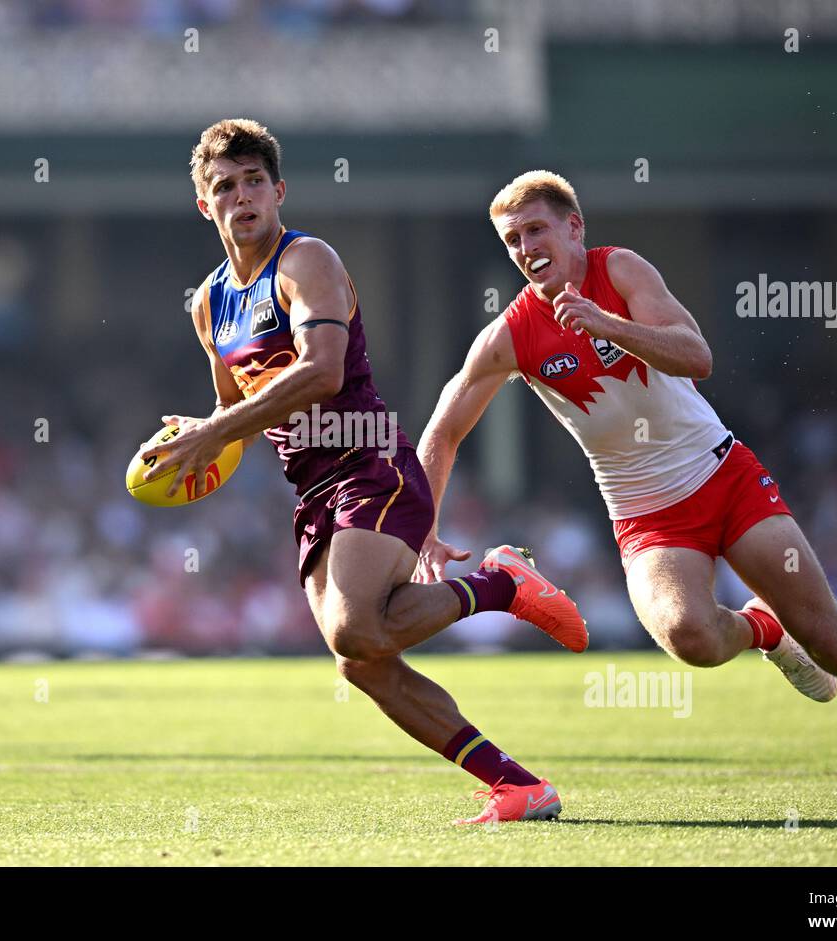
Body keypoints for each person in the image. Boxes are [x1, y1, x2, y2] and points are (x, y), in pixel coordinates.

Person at [415, 169, 837, 809]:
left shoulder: (622, 271)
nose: (525, 249)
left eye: (536, 230)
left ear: (574, 228)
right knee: (690, 638)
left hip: (723, 476)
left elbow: (697, 355)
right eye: (512, 240)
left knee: (834, 640)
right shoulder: (510, 336)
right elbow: (441, 435)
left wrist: (608, 325)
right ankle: (767, 633)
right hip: (646, 517)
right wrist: (426, 533)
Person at [141, 119, 587, 824]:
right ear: (205, 206)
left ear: (279, 190)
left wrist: (218, 429)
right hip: (311, 491)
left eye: (254, 180)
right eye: (224, 186)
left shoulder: (306, 260)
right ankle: (518, 786)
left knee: (354, 632)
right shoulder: (207, 304)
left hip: (370, 461)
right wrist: (195, 447)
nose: (241, 195)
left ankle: (502, 583)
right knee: (362, 659)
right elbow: (236, 411)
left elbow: (320, 373)